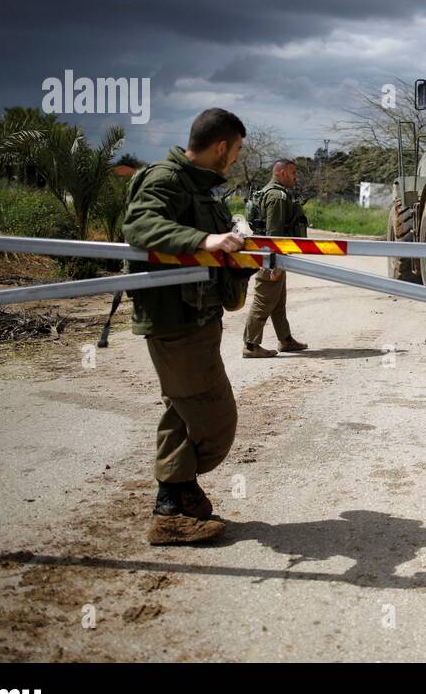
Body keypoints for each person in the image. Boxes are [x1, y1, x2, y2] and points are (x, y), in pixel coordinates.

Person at [122, 108, 252, 545]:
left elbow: (219, 254)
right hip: (174, 320)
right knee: (215, 420)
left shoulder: (202, 188)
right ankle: (173, 498)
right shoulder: (165, 178)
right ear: (220, 147)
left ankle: (175, 504)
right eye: (234, 152)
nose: (233, 160)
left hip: (198, 316)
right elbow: (139, 225)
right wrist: (204, 240)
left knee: (182, 410)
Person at [242, 159, 310, 358]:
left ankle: (286, 339)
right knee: (264, 301)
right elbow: (274, 234)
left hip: (275, 256)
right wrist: (276, 263)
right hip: (271, 257)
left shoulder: (274, 193)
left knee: (278, 302)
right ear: (280, 172)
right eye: (292, 172)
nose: (295, 177)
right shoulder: (277, 197)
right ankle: (251, 345)